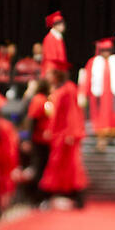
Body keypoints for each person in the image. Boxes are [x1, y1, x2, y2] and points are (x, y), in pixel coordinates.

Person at [38, 62, 87, 208]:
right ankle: (58, 196)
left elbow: (71, 113)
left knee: (71, 166)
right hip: (59, 135)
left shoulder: (68, 89)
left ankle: (77, 197)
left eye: (50, 74)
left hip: (67, 135)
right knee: (58, 165)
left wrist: (71, 133)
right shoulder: (59, 90)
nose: (47, 77)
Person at [79, 38, 115, 151]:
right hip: (99, 98)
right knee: (101, 119)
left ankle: (111, 136)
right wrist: (82, 92)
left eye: (107, 50)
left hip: (114, 96)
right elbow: (86, 79)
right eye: (103, 50)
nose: (105, 53)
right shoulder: (93, 62)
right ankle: (101, 140)